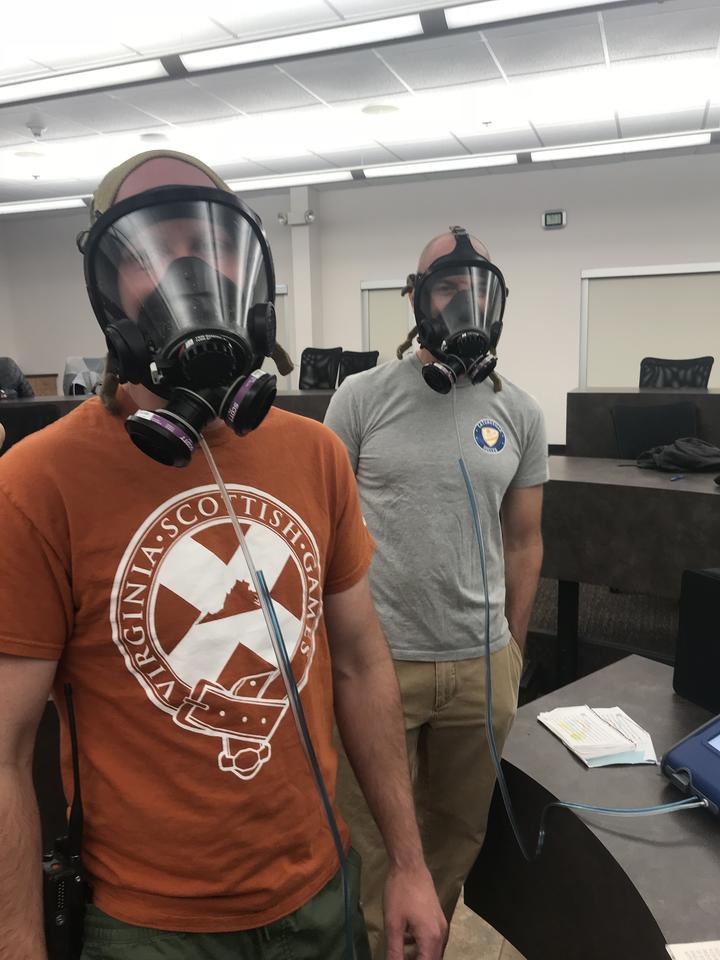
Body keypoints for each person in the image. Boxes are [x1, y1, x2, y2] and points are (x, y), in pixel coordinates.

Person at [0, 150, 446, 960]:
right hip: (146, 926)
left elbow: (359, 663)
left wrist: (408, 864)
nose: (191, 269)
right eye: (149, 253)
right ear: (107, 293)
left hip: (319, 893)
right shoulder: (34, 484)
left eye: (215, 245)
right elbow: (2, 748)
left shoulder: (314, 454)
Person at [325, 226, 548, 958]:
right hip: (378, 668)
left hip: (481, 670)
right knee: (377, 858)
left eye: (477, 286)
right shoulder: (359, 399)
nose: (464, 300)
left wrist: (512, 650)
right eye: (446, 285)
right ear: (415, 299)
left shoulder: (521, 413)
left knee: (452, 846)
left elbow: (523, 540)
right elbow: (328, 533)